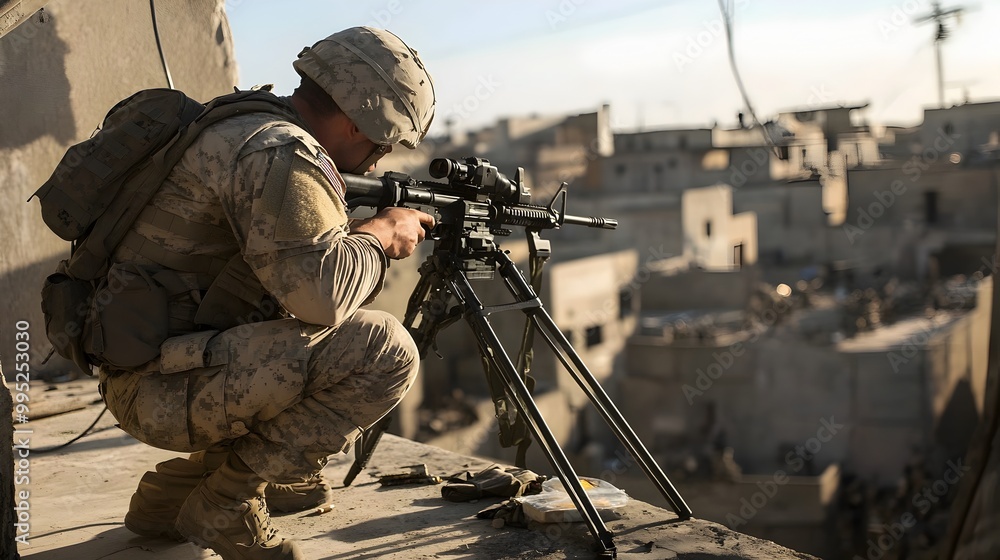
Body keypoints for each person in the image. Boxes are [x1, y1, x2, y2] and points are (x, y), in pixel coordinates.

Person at [97, 27, 436, 559]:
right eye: (383, 140)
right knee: (383, 350)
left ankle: (175, 498)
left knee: (317, 329)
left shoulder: (239, 120)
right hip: (162, 390)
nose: (380, 157)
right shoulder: (282, 152)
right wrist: (380, 235)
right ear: (354, 122)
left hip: (149, 370)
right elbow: (321, 298)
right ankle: (225, 504)